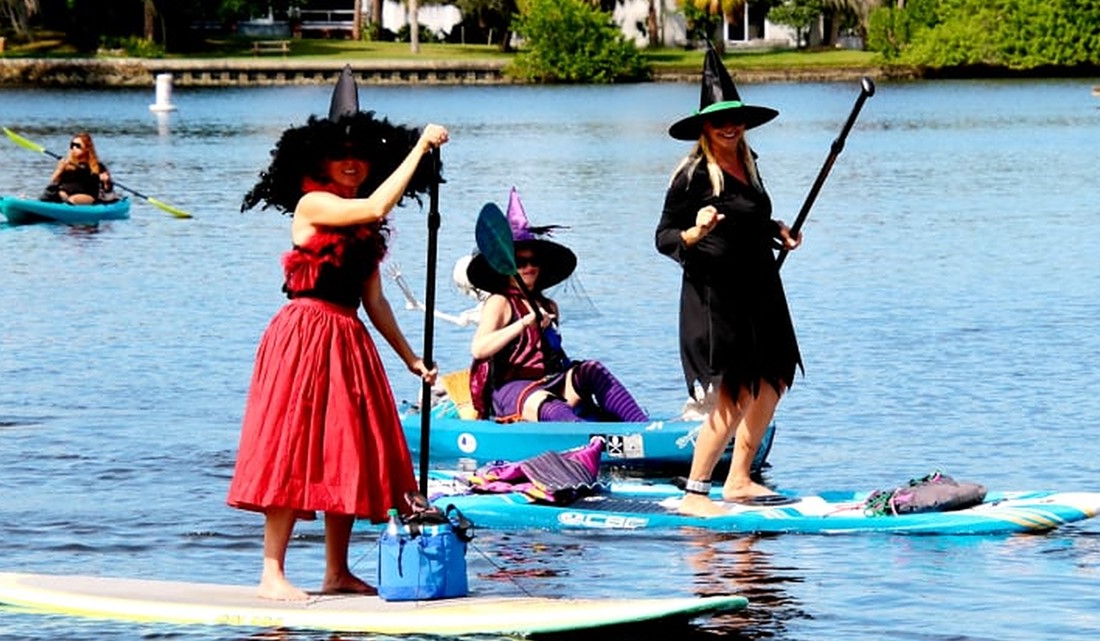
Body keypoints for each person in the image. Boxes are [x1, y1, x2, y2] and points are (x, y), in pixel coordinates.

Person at [226, 68, 448, 601]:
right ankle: (271, 573)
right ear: (320, 162)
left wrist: (411, 359)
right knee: (293, 446)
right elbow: (374, 204)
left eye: (361, 155)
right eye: (340, 154)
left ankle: (336, 571)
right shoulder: (314, 206)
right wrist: (419, 147)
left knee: (346, 452)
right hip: (304, 335)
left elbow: (375, 302)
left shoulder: (367, 233)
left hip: (348, 339)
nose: (352, 162)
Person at [655, 45, 803, 517]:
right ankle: (696, 492)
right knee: (735, 390)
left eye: (735, 117)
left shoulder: (749, 164)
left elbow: (749, 218)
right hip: (717, 295)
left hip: (761, 288)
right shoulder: (692, 176)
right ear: (704, 127)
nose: (729, 125)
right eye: (719, 119)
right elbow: (663, 236)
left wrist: (776, 229)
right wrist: (694, 233)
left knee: (775, 377)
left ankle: (739, 479)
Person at [468, 187, 648, 424]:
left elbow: (553, 355)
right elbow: (479, 349)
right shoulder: (500, 302)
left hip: (549, 380)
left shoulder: (549, 305)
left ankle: (643, 428)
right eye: (521, 262)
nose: (529, 267)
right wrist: (524, 323)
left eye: (534, 261)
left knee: (592, 369)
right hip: (512, 389)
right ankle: (590, 438)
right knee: (550, 406)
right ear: (506, 268)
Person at [42, 132, 114, 204]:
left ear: (87, 148)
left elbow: (107, 191)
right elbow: (53, 181)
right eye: (72, 145)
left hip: (86, 196)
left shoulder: (97, 167)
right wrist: (60, 169)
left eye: (77, 146)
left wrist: (106, 182)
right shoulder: (66, 164)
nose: (74, 148)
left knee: (73, 199)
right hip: (65, 194)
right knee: (52, 193)